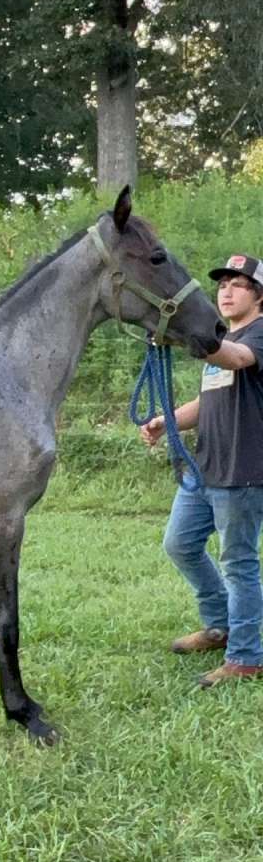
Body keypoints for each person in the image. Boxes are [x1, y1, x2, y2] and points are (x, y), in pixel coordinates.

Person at [141, 253, 263, 687]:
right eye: (222, 284)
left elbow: (239, 360)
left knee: (239, 562)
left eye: (238, 284)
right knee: (180, 544)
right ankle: (220, 625)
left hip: (243, 470)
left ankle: (247, 657)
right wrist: (169, 419)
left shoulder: (257, 335)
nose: (226, 291)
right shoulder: (223, 341)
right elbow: (211, 398)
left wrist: (191, 330)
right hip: (204, 467)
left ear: (259, 295)